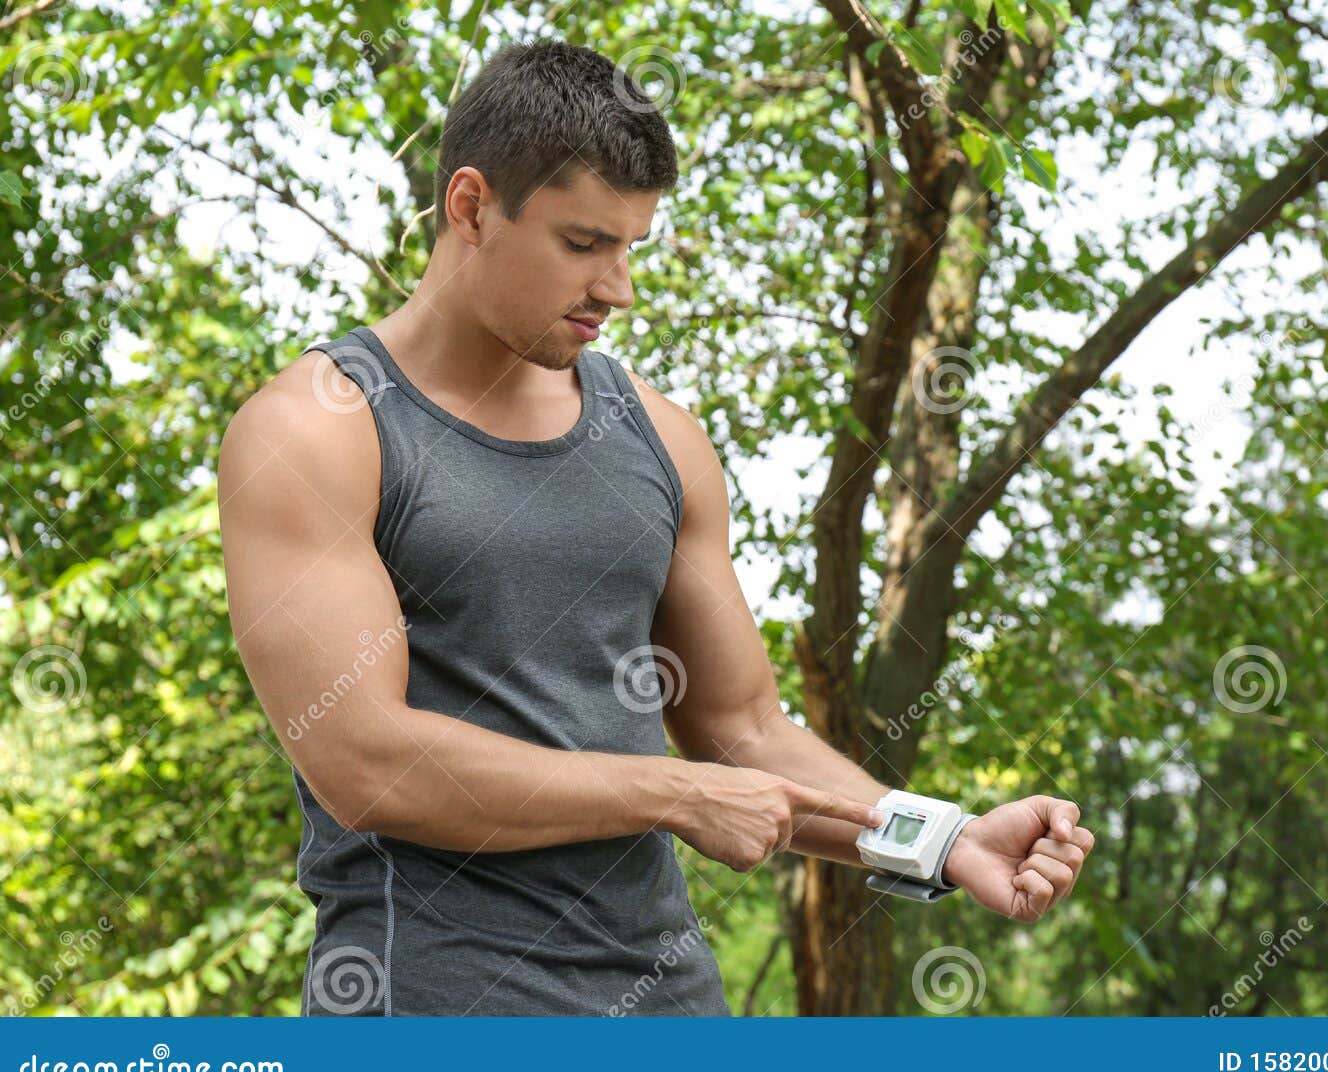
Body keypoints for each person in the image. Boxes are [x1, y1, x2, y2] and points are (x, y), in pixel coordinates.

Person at [218, 40, 1094, 1017]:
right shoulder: (316, 431)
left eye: (630, 246)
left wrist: (941, 837)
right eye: (583, 244)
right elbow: (365, 764)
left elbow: (741, 729)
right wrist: (670, 794)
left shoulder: (660, 436)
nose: (617, 286)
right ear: (470, 208)